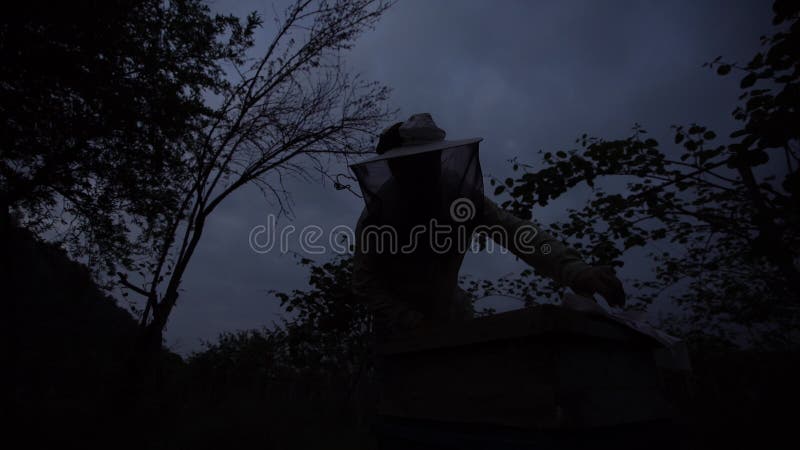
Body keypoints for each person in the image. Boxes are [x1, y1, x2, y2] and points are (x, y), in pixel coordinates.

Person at [350, 113, 625, 338]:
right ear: (396, 167)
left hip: (452, 314)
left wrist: (574, 270)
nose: (427, 169)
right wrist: (410, 321)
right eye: (416, 163)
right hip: (397, 330)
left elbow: (515, 231)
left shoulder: (459, 194)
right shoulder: (377, 216)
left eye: (430, 159)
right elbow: (365, 282)